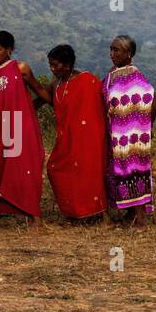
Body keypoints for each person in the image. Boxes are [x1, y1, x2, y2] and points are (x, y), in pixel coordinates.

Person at [0, 30, 46, 225]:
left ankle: (34, 215)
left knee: (23, 167)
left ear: (9, 50)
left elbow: (39, 91)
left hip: (20, 126)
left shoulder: (21, 68)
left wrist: (32, 109)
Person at [38, 44, 108, 221]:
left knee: (90, 174)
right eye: (50, 65)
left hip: (88, 139)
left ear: (67, 65)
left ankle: (99, 214)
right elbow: (46, 98)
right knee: (55, 168)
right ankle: (73, 211)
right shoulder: (57, 83)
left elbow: (100, 108)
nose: (52, 69)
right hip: (66, 139)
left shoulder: (88, 80)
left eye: (55, 65)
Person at [103, 35, 156, 226]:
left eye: (116, 50)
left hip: (131, 137)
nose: (112, 54)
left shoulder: (132, 75)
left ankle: (141, 217)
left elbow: (152, 97)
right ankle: (131, 213)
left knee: (132, 171)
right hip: (118, 136)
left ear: (128, 54)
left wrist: (146, 125)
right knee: (121, 172)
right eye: (111, 49)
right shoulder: (114, 74)